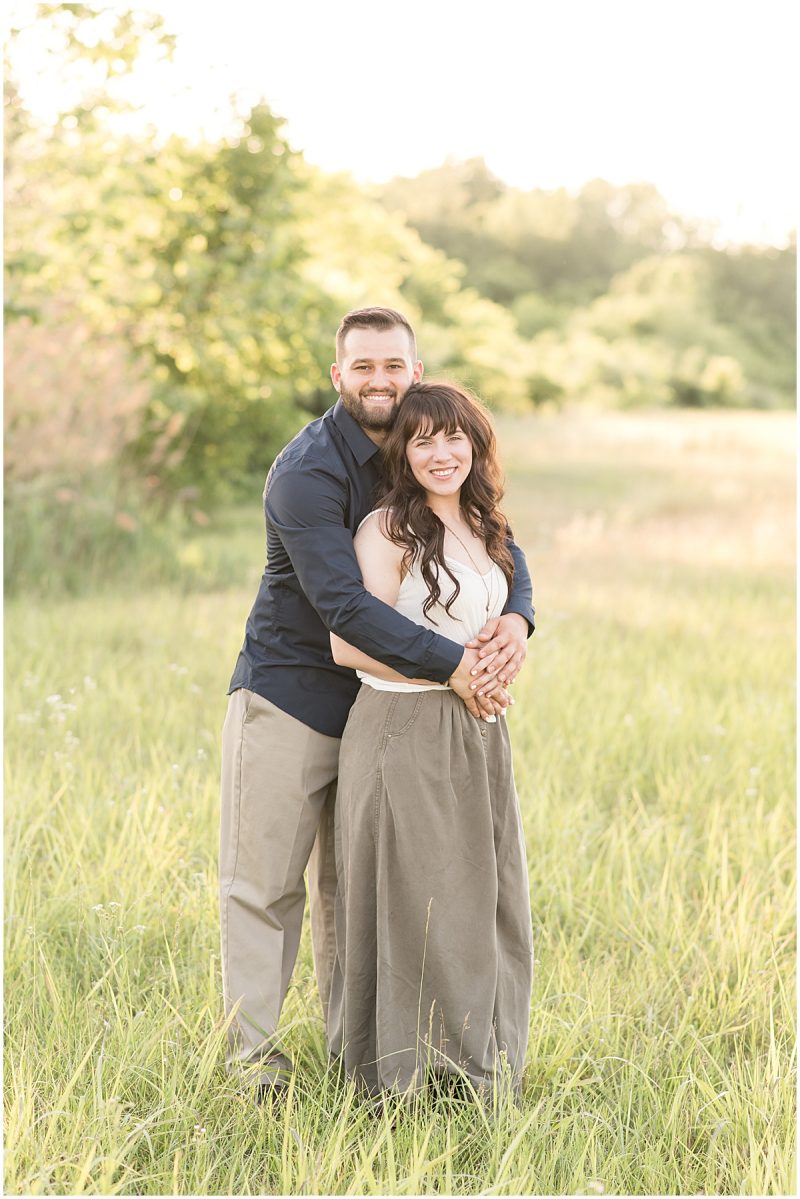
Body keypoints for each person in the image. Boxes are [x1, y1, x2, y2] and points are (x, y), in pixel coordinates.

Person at [220, 307, 535, 1096]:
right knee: (267, 882)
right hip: (293, 696)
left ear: (415, 372)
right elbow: (345, 610)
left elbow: (487, 530)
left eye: (393, 365)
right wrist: (459, 667)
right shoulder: (308, 471)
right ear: (338, 376)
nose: (379, 380)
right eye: (363, 366)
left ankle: (351, 1053)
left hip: (381, 709)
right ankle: (251, 1063)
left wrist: (520, 617)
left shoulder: (413, 446)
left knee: (351, 889)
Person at [327, 382, 533, 1099]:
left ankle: (473, 1060)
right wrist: (458, 677)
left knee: (481, 897)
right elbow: (347, 644)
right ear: (403, 452)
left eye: (453, 437)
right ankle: (394, 1074)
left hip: (479, 734)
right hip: (402, 727)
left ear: (475, 444)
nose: (440, 453)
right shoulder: (385, 529)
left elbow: (509, 603)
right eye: (422, 440)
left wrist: (514, 631)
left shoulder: (487, 524)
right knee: (413, 904)